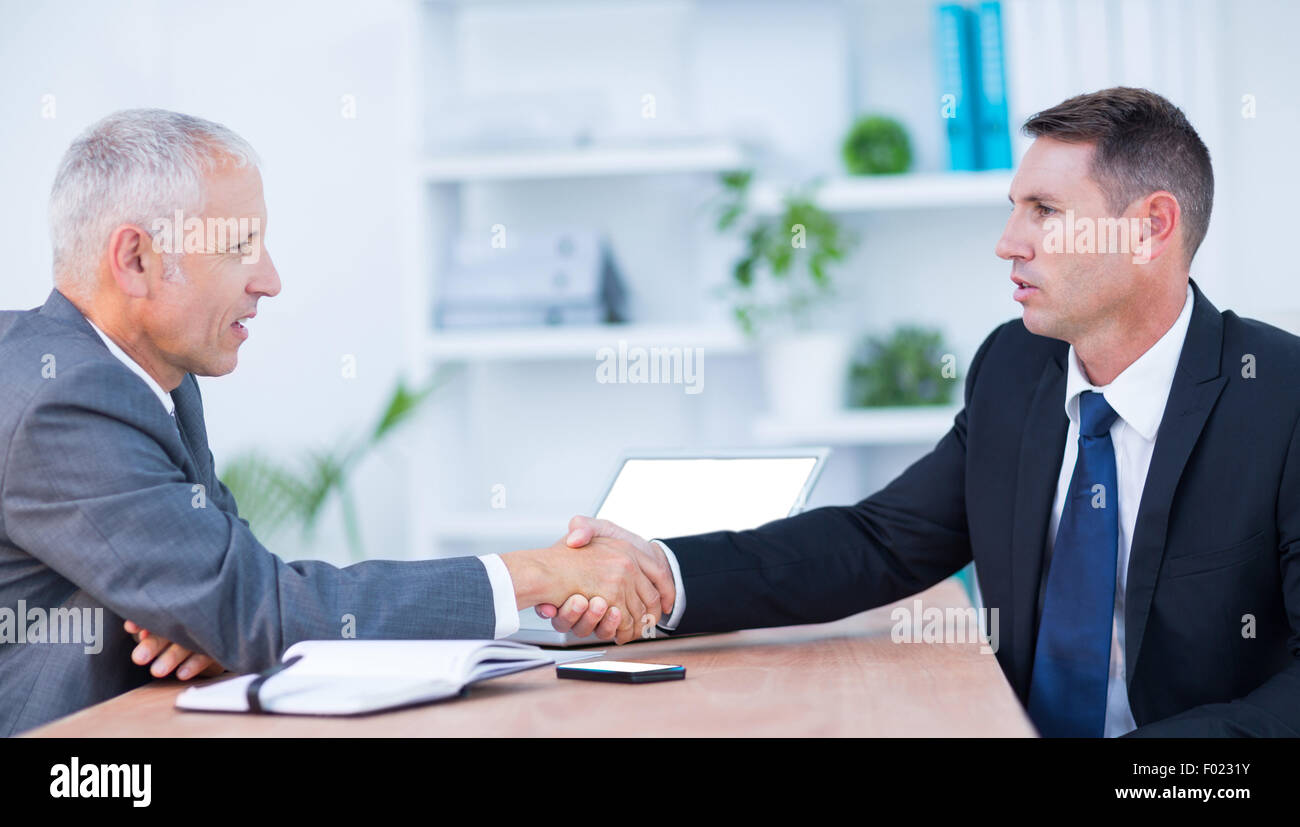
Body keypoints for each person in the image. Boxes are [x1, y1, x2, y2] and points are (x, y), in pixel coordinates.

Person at [557, 87, 1300, 737]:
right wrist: (667, 570)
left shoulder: (1280, 395)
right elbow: (880, 541)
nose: (1008, 243)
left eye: (1044, 211)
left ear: (1151, 228)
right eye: (1015, 210)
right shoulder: (1015, 367)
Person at [0, 109, 673, 736]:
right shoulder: (67, 399)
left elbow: (235, 594)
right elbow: (255, 607)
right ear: (136, 259)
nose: (270, 279)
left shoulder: (140, 377)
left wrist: (212, 618)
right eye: (238, 246)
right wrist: (536, 573)